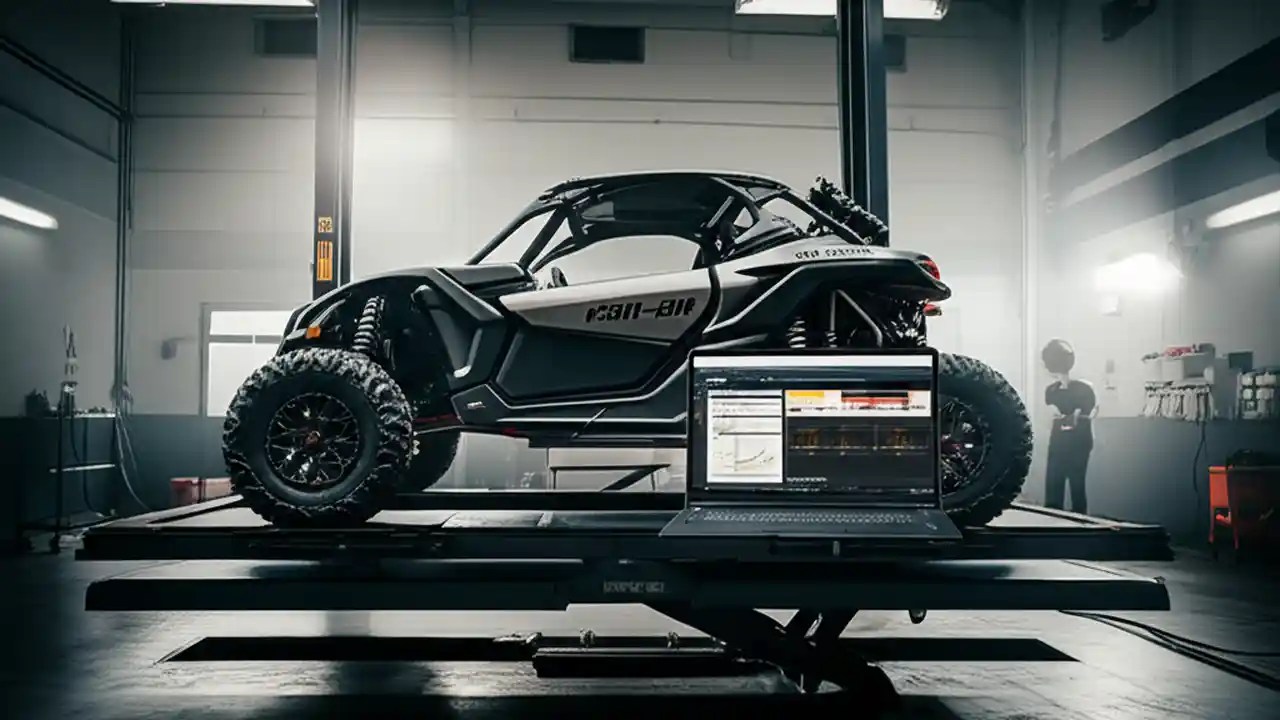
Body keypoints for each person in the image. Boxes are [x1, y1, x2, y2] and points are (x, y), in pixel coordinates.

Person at [1041, 339, 1097, 513]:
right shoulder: (1051, 390)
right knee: (1054, 484)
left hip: (1078, 441)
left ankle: (1079, 523)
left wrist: (1071, 418)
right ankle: (1050, 521)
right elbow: (1053, 413)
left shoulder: (1085, 388)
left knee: (1076, 484)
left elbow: (1084, 412)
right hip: (1059, 441)